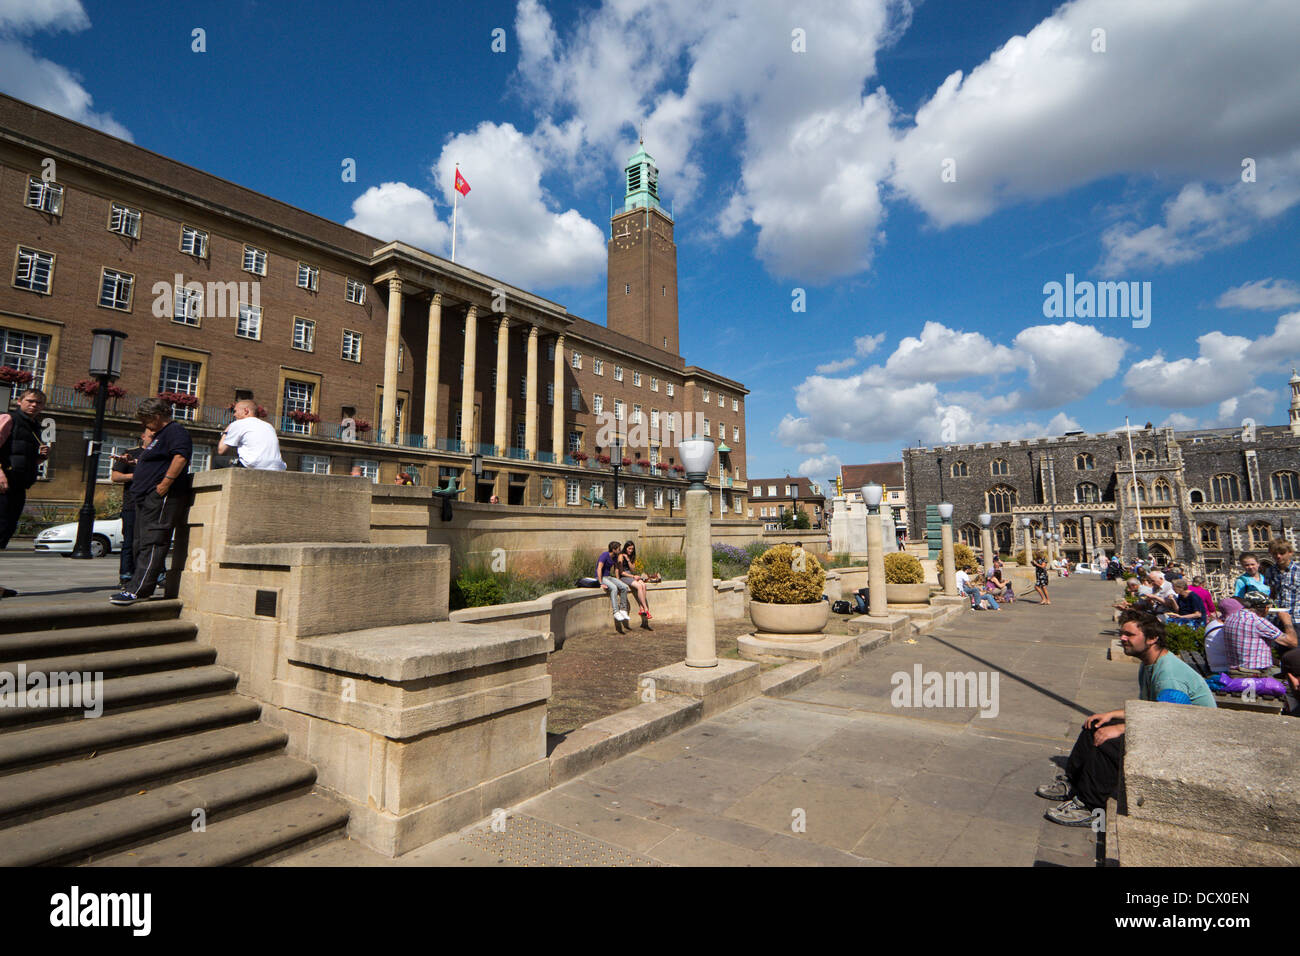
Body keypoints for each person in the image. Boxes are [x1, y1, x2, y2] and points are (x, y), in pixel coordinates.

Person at [1035, 610, 1215, 826]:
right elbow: (1149, 708)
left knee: (1109, 743)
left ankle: (1091, 807)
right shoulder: (1149, 663)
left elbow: (1169, 721)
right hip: (1169, 725)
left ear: (1152, 638)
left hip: (1189, 743)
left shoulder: (1169, 677)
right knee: (1095, 724)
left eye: (1129, 635)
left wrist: (1120, 729)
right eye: (1122, 633)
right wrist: (1111, 715)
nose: (1122, 638)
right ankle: (1073, 782)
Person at [111, 398, 193, 605]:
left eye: (145, 420)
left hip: (161, 496)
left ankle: (139, 590)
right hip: (144, 496)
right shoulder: (160, 436)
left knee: (153, 542)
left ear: (156, 416)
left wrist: (164, 484)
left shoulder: (176, 431)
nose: (143, 425)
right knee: (140, 543)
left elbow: (181, 457)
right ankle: (135, 586)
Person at [0, 388, 49, 598]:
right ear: (19, 401)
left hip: (18, 486)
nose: (34, 405)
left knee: (3, 534)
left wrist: (40, 458)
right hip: (3, 485)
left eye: (38, 403)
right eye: (30, 401)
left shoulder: (34, 427)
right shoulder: (8, 419)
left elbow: (21, 457)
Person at [110, 424, 155, 589]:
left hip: (152, 504)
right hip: (132, 503)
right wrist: (137, 475)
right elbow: (115, 477)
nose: (153, 438)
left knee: (150, 541)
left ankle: (152, 574)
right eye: (151, 435)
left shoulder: (159, 455)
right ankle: (126, 576)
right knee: (129, 541)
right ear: (143, 437)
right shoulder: (131, 453)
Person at [1222, 591, 1296, 676]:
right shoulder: (1257, 621)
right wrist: (1287, 621)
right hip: (1256, 672)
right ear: (1266, 608)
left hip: (1235, 669)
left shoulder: (1231, 618)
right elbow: (1292, 642)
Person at [217, 401, 285, 470]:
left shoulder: (239, 424)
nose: (234, 415)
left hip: (253, 465)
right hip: (278, 467)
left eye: (235, 411)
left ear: (246, 411)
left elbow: (221, 450)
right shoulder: (269, 426)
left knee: (217, 460)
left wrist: (226, 432)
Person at [596, 540, 630, 628]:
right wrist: (600, 583)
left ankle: (623, 610)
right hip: (602, 577)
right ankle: (616, 611)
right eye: (619, 549)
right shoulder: (604, 555)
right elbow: (599, 569)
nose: (620, 550)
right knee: (614, 588)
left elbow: (616, 569)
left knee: (624, 587)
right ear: (614, 549)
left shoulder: (615, 557)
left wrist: (618, 580)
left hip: (608, 577)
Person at [617, 540, 652, 625]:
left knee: (643, 585)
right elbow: (621, 572)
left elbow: (632, 569)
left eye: (632, 549)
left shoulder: (630, 556)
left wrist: (628, 559)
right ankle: (645, 609)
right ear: (625, 548)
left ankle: (641, 608)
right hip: (624, 576)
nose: (630, 551)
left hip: (630, 574)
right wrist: (633, 577)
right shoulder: (620, 556)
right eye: (629, 549)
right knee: (639, 586)